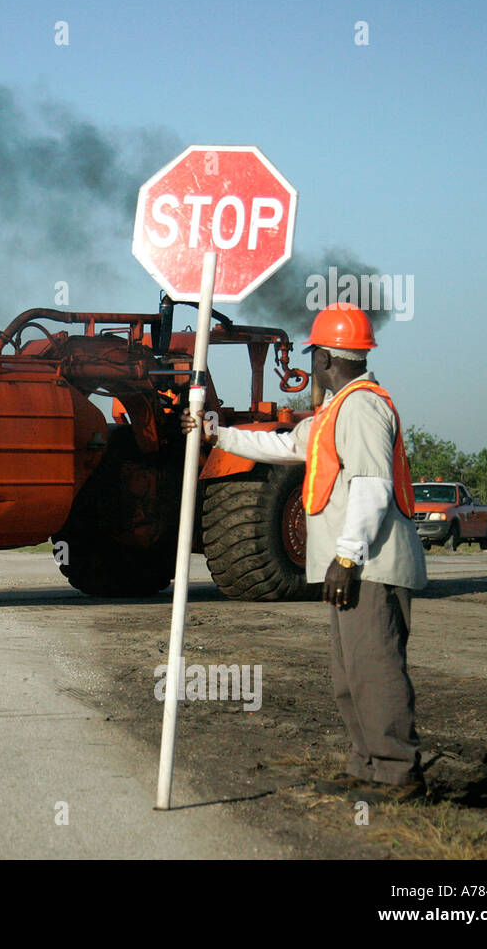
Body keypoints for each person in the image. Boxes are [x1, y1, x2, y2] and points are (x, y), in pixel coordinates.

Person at [181, 302, 429, 804]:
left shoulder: (362, 406)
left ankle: (399, 776)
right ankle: (367, 769)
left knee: (375, 670)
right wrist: (215, 434)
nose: (312, 363)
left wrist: (346, 557)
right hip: (357, 568)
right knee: (351, 674)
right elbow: (284, 447)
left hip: (370, 568)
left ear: (324, 359)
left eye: (314, 354)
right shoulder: (336, 411)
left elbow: (372, 485)